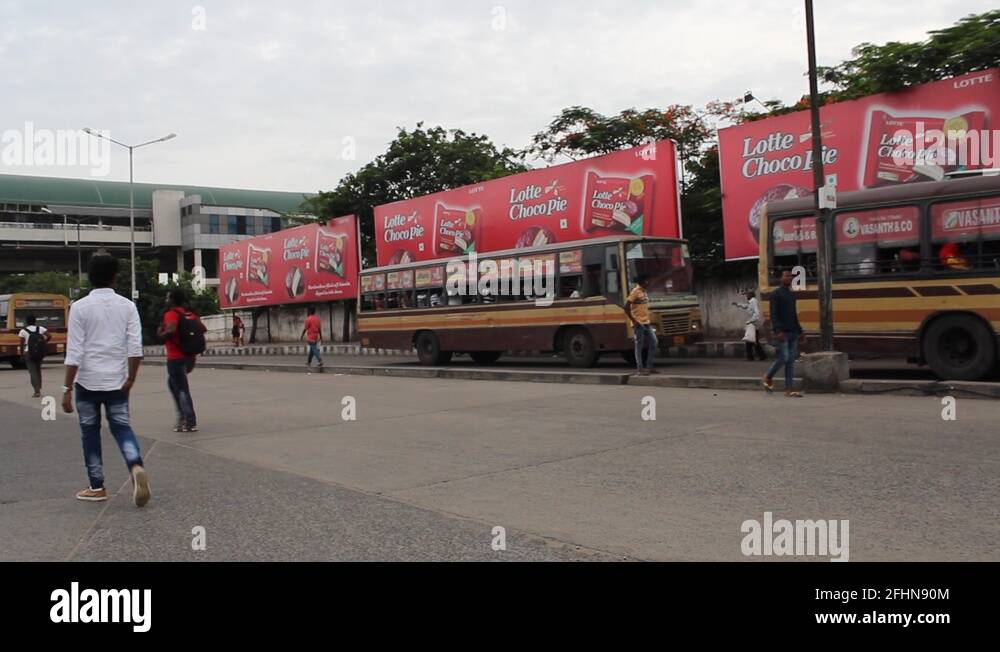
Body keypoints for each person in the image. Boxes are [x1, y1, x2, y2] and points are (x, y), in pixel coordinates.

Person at [61, 254, 151, 506]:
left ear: (90, 278)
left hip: (87, 383)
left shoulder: (79, 307)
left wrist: (66, 389)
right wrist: (130, 378)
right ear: (114, 277)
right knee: (122, 427)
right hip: (117, 382)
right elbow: (135, 349)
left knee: (89, 432)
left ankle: (97, 486)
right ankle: (135, 465)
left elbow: (74, 353)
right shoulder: (127, 306)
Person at [157, 288, 203, 432]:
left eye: (167, 297)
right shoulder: (190, 314)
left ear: (172, 300)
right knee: (172, 384)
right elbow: (203, 328)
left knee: (181, 388)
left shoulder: (171, 314)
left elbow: (171, 330)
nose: (166, 300)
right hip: (190, 358)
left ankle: (189, 421)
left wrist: (160, 333)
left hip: (176, 358)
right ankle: (183, 416)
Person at [763, 269, 804, 398]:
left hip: (793, 331)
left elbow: (794, 314)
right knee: (784, 357)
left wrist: (800, 331)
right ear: (780, 278)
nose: (789, 278)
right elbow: (774, 314)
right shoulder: (776, 294)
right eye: (786, 276)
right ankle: (768, 376)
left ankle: (789, 389)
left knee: (791, 361)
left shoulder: (791, 295)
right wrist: (778, 330)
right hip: (783, 332)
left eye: (791, 276)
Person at [625, 274, 658, 376]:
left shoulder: (644, 291)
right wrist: (634, 321)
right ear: (642, 282)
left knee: (654, 342)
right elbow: (626, 307)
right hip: (638, 323)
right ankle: (640, 369)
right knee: (639, 345)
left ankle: (649, 366)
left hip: (646, 322)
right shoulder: (635, 292)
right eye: (647, 281)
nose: (648, 283)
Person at [18, 314, 51, 397]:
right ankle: (39, 386)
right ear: (35, 321)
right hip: (39, 353)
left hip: (29, 353)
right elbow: (49, 336)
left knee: (33, 372)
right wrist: (43, 343)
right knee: (38, 370)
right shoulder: (40, 328)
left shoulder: (23, 331)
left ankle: (36, 391)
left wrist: (21, 354)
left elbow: (21, 344)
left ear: (26, 322)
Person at [733, 292, 765, 362]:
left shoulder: (753, 301)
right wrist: (738, 304)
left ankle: (761, 356)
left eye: (747, 295)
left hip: (753, 323)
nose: (746, 296)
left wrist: (751, 321)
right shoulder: (751, 302)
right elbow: (746, 306)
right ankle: (751, 357)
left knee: (753, 340)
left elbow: (756, 312)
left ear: (751, 295)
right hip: (752, 322)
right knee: (750, 340)